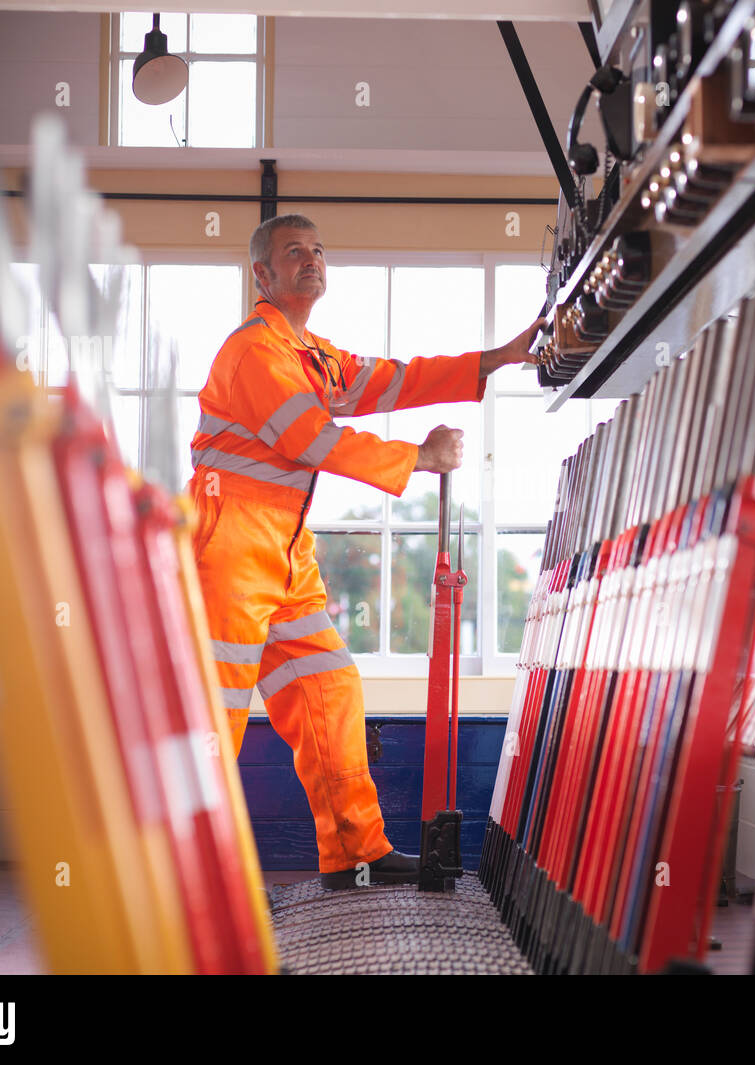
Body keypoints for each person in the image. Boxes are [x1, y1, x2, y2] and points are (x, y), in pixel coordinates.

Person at [189, 213, 542, 889]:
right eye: (294, 252)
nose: (312, 260)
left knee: (329, 688)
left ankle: (354, 852)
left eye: (318, 250)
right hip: (227, 551)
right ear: (262, 275)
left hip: (285, 556)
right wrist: (420, 457)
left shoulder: (310, 355)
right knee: (213, 719)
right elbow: (311, 439)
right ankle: (196, 888)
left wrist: (496, 358)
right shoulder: (254, 352)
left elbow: (391, 380)